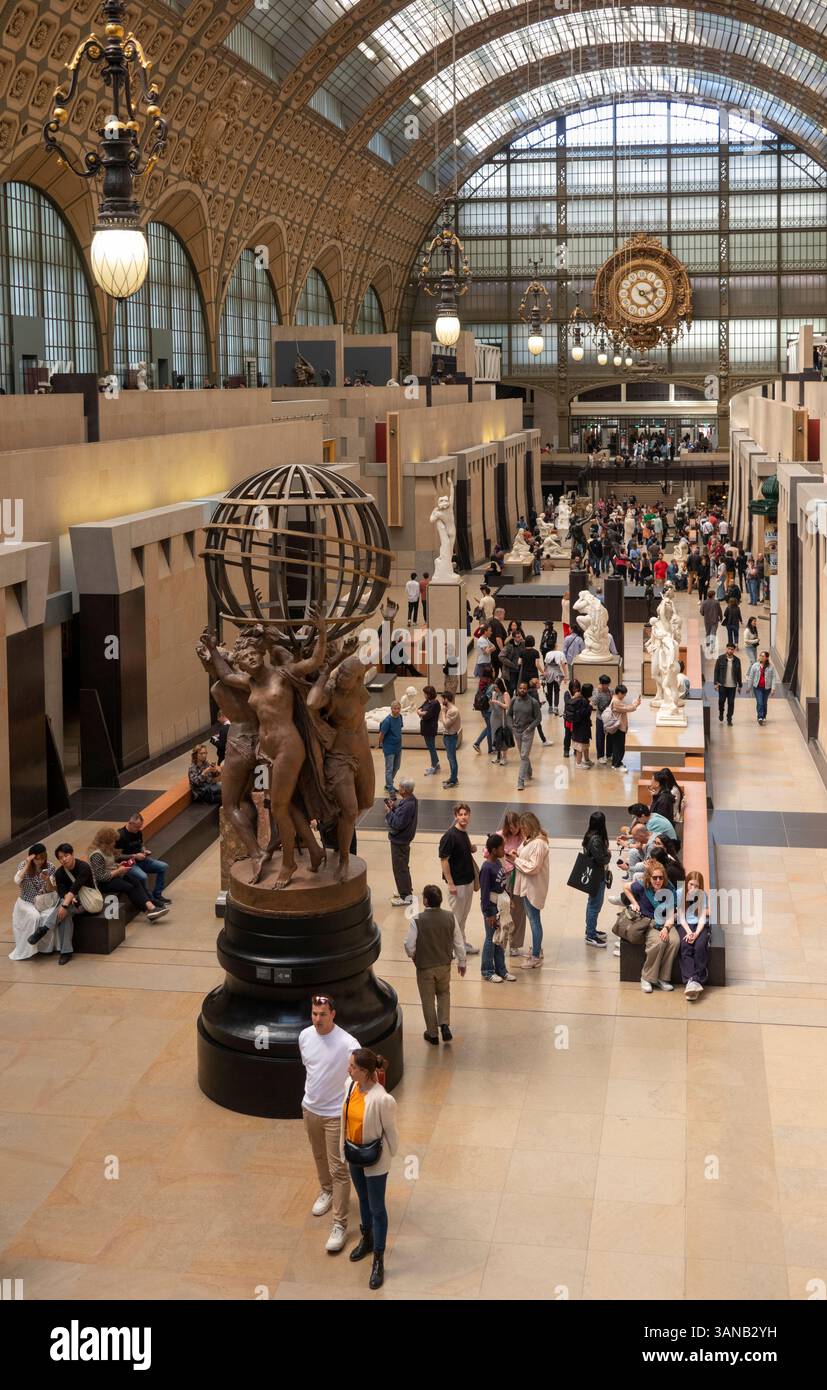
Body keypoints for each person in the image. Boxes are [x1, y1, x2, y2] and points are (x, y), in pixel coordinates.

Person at [299, 994, 361, 1254]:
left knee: (339, 1168)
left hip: (335, 1114)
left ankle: (339, 1224)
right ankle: (325, 1191)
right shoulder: (304, 1037)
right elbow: (309, 1068)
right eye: (314, 1014)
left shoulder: (348, 1044)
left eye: (323, 1014)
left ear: (333, 1014)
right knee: (319, 1156)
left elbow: (359, 1079)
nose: (317, 1019)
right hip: (310, 1108)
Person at [341, 1047, 399, 1290]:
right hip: (354, 1153)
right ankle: (367, 1238)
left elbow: (391, 1133)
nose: (348, 1069)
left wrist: (389, 1155)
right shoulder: (349, 1086)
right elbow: (343, 1119)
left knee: (377, 1207)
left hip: (375, 1159)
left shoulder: (382, 1099)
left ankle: (378, 1257)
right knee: (363, 1199)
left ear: (365, 1072)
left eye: (353, 1067)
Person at [404, 882, 466, 1042]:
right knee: (444, 993)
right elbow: (458, 941)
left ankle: (432, 1034)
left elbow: (409, 945)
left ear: (425, 901)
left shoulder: (416, 919)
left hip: (424, 967)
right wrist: (462, 962)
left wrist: (413, 955)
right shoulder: (450, 917)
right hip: (444, 965)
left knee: (428, 1000)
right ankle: (444, 1024)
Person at [27, 843, 94, 964]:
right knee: (65, 916)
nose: (64, 859)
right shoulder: (59, 873)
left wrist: (64, 905)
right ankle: (66, 951)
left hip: (86, 900)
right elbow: (62, 892)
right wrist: (67, 902)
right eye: (60, 858)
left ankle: (44, 929)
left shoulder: (83, 867)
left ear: (72, 854)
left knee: (64, 909)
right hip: (71, 901)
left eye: (66, 856)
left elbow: (75, 887)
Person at [620, 861, 680, 994]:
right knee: (659, 942)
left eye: (660, 877)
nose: (658, 880)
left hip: (665, 922)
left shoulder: (669, 891)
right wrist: (634, 903)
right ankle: (646, 977)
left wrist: (666, 928)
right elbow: (626, 887)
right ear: (649, 878)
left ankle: (662, 978)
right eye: (654, 878)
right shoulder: (642, 886)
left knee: (674, 941)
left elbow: (670, 916)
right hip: (649, 922)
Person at [87, 828, 169, 922]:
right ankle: (148, 910)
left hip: (113, 876)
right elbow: (100, 877)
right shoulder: (96, 855)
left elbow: (109, 865)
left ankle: (151, 907)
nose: (114, 843)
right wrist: (118, 871)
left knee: (135, 881)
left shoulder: (107, 850)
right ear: (107, 842)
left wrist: (119, 866)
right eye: (113, 841)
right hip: (103, 883)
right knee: (128, 887)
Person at [438, 802, 480, 954]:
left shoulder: (463, 833)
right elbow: (444, 860)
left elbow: (463, 850)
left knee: (463, 916)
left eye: (465, 814)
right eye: (460, 814)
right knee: (456, 917)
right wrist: (450, 883)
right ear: (455, 816)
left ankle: (461, 943)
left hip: (468, 881)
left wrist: (471, 848)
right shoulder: (449, 836)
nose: (463, 817)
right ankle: (452, 949)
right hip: (457, 883)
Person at [664, 869, 710, 999]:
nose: (693, 888)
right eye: (691, 884)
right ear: (686, 883)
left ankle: (696, 980)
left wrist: (696, 933)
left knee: (700, 946)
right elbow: (681, 917)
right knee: (685, 945)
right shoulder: (679, 894)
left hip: (699, 926)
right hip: (685, 925)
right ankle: (691, 980)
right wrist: (689, 932)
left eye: (696, 886)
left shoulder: (702, 895)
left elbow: (702, 918)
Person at [513, 812, 549, 969]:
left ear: (530, 826)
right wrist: (516, 855)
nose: (522, 831)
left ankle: (535, 956)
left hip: (534, 886)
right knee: (532, 918)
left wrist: (516, 860)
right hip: (527, 885)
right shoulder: (530, 840)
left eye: (524, 827)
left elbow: (533, 867)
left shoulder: (539, 843)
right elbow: (524, 855)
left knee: (534, 920)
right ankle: (536, 948)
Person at [479, 834, 517, 983]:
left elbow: (501, 884)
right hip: (492, 908)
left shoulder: (498, 863)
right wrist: (489, 914)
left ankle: (501, 970)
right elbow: (485, 893)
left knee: (501, 939)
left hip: (501, 905)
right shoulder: (486, 868)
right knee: (491, 939)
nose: (504, 849)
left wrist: (509, 898)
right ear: (494, 850)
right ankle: (487, 971)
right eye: (502, 847)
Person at [10, 844, 58, 961]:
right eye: (37, 859)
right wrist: (27, 864)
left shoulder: (50, 867)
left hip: (43, 901)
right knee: (34, 916)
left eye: (42, 858)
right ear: (31, 858)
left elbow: (52, 889)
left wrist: (47, 880)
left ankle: (45, 949)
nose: (40, 861)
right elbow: (17, 880)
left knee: (48, 916)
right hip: (26, 901)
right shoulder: (23, 865)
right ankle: (28, 949)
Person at [115, 812, 171, 905]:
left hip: (142, 860)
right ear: (130, 823)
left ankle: (157, 894)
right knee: (143, 876)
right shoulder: (120, 835)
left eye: (140, 827)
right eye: (136, 827)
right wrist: (134, 856)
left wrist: (144, 850)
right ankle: (151, 900)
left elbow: (141, 844)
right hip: (128, 863)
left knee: (163, 866)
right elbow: (116, 857)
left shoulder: (138, 832)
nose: (138, 829)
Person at [498, 811, 527, 956]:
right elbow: (487, 852)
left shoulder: (524, 837)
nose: (514, 829)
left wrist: (517, 855)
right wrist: (506, 853)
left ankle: (515, 943)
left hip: (519, 876)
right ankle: (501, 940)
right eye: (510, 826)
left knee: (519, 911)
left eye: (516, 825)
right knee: (503, 909)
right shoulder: (500, 836)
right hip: (504, 876)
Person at [385, 777, 418, 906]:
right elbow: (401, 813)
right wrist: (394, 807)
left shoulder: (407, 805)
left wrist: (388, 813)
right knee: (403, 867)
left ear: (404, 790)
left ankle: (406, 897)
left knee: (400, 868)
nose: (398, 788)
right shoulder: (410, 800)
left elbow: (398, 823)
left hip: (400, 841)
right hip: (403, 840)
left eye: (400, 787)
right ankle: (405, 891)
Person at [582, 810, 611, 948]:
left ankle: (591, 930)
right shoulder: (596, 839)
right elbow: (600, 859)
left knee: (593, 904)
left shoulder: (590, 836)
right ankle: (591, 935)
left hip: (595, 874)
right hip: (596, 875)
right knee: (594, 905)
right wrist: (609, 855)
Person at [511, 680, 540, 790]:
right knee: (523, 754)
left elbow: (538, 718)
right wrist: (511, 726)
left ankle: (520, 780)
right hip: (517, 731)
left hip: (528, 732)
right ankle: (529, 771)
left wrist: (530, 728)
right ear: (518, 689)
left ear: (527, 690)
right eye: (520, 688)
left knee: (523, 756)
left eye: (524, 688)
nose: (522, 690)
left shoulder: (533, 702)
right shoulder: (514, 700)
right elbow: (509, 714)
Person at [378, 700, 403, 795]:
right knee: (389, 768)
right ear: (391, 709)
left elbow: (399, 729)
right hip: (389, 748)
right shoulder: (387, 721)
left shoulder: (400, 717)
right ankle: (389, 787)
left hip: (398, 747)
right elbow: (381, 735)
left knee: (396, 767)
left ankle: (388, 785)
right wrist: (382, 745)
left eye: (398, 708)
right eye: (394, 709)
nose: (396, 710)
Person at [713, 643, 742, 725]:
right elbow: (716, 671)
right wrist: (715, 683)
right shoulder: (720, 658)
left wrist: (740, 685)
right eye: (729, 648)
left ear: (734, 650)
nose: (730, 650)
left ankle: (729, 718)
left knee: (731, 703)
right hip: (722, 685)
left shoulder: (737, 660)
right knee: (721, 701)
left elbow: (739, 673)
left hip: (732, 686)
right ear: (726, 649)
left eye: (732, 649)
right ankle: (721, 712)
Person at [568, 679, 594, 768]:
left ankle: (586, 760)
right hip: (580, 728)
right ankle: (578, 763)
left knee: (586, 744)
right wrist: (590, 706)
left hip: (584, 727)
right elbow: (583, 713)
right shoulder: (583, 701)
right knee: (580, 745)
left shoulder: (583, 699)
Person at [417, 685, 441, 776]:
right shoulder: (427, 702)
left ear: (428, 694)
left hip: (430, 728)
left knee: (431, 747)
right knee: (431, 747)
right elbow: (419, 709)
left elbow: (427, 716)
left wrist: (422, 713)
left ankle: (433, 766)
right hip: (425, 728)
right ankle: (436, 763)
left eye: (425, 693)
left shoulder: (435, 704)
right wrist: (421, 712)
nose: (424, 695)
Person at [747, 650, 776, 724]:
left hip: (767, 688)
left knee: (764, 702)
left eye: (763, 656)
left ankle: (764, 716)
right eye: (760, 655)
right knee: (760, 702)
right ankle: (760, 717)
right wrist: (749, 687)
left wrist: (773, 688)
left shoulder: (771, 667)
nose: (760, 657)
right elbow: (751, 677)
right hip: (757, 687)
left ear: (766, 658)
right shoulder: (755, 665)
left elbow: (773, 677)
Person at [489, 676, 513, 766]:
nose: (495, 689)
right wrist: (491, 703)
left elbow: (507, 706)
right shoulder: (495, 693)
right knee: (495, 737)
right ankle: (498, 756)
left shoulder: (505, 694)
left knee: (502, 737)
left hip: (502, 718)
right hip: (494, 717)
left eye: (496, 687)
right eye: (494, 687)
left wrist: (497, 702)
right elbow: (491, 707)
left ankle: (504, 757)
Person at [440, 690, 461, 788]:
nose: (441, 701)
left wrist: (443, 713)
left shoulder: (453, 710)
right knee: (449, 757)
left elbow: (446, 724)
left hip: (451, 737)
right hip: (446, 736)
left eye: (442, 699)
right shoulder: (447, 708)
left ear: (446, 699)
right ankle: (452, 777)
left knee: (452, 759)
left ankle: (454, 780)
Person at [592, 674, 613, 764]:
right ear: (601, 684)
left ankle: (609, 754)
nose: (607, 686)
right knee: (600, 737)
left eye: (608, 684)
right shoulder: (596, 692)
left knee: (610, 737)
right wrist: (599, 693)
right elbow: (593, 703)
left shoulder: (611, 691)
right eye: (606, 684)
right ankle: (600, 755)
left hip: (610, 717)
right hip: (600, 717)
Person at [543, 643, 568, 714]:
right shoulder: (560, 653)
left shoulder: (548, 654)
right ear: (556, 646)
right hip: (557, 673)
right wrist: (566, 676)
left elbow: (546, 665)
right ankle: (556, 708)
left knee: (549, 690)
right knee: (557, 690)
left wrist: (544, 673)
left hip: (549, 673)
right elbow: (563, 665)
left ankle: (550, 707)